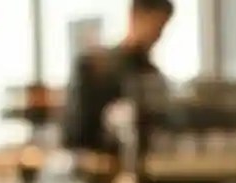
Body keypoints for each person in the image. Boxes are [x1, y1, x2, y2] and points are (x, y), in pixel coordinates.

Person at [61, 0, 174, 153]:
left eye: (161, 29)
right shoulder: (94, 67)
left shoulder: (152, 75)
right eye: (155, 27)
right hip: (98, 165)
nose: (156, 36)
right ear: (134, 16)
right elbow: (74, 133)